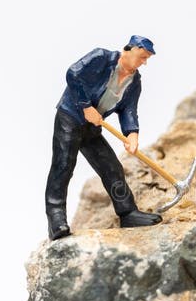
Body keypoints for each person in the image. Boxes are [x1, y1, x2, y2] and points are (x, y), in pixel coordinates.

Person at [45, 35, 163, 240]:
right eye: (142, 57)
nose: (143, 63)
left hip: (93, 127)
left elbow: (129, 110)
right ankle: (56, 219)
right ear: (128, 50)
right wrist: (85, 105)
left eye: (146, 59)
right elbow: (73, 74)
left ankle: (128, 213)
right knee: (63, 166)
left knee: (111, 167)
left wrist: (132, 134)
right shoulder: (101, 58)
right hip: (70, 118)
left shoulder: (134, 82)